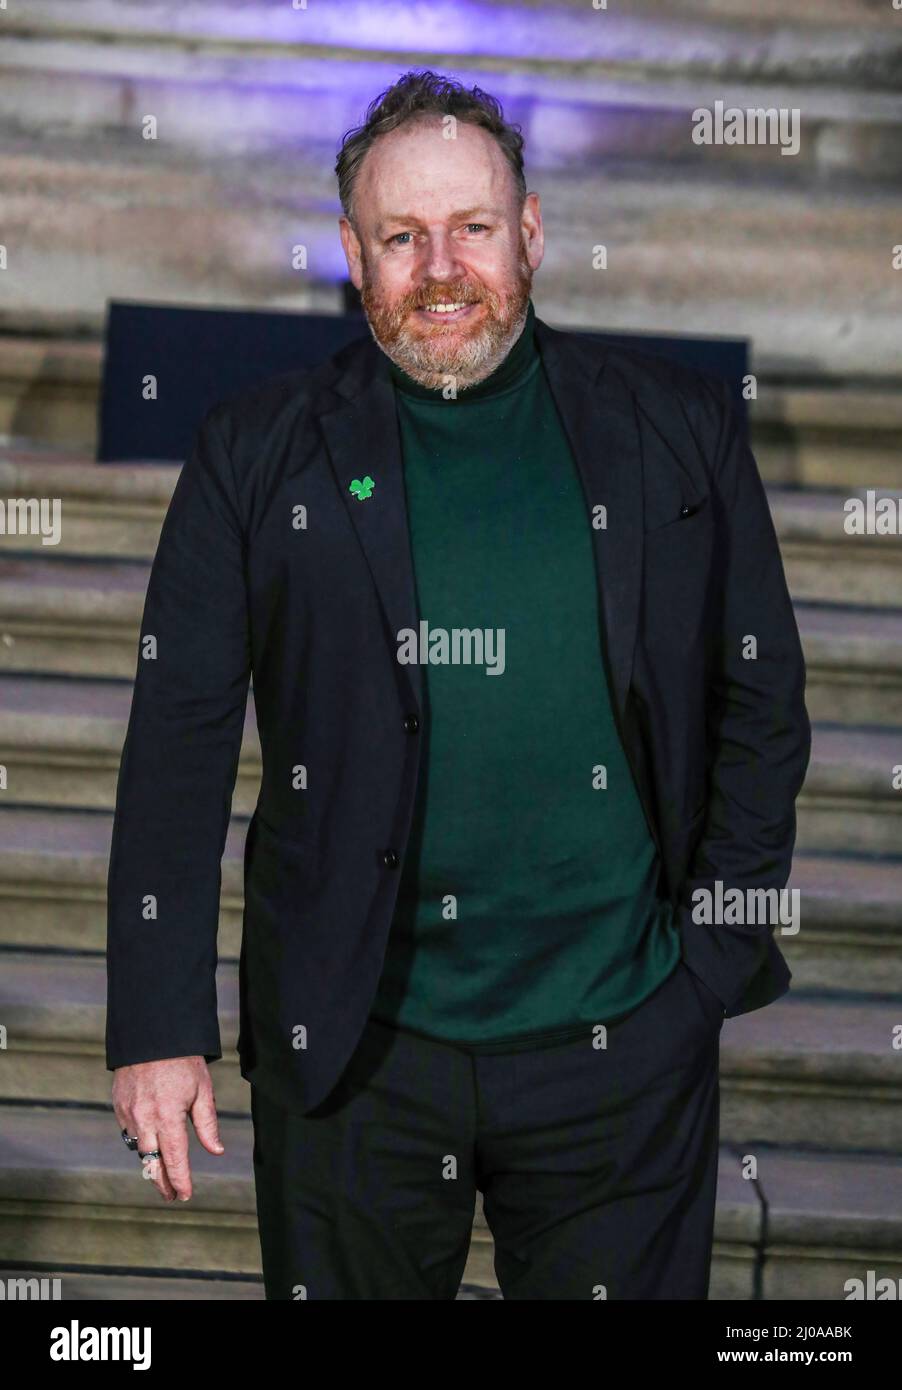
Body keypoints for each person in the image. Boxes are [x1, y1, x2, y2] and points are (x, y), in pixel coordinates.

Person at [107, 69, 811, 1299]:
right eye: (401, 237)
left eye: (472, 228)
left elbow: (760, 706)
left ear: (528, 233)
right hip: (356, 1056)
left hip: (620, 1043)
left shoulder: (677, 433)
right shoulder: (253, 451)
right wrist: (160, 1025)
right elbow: (179, 743)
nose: (440, 267)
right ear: (351, 253)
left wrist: (705, 968)